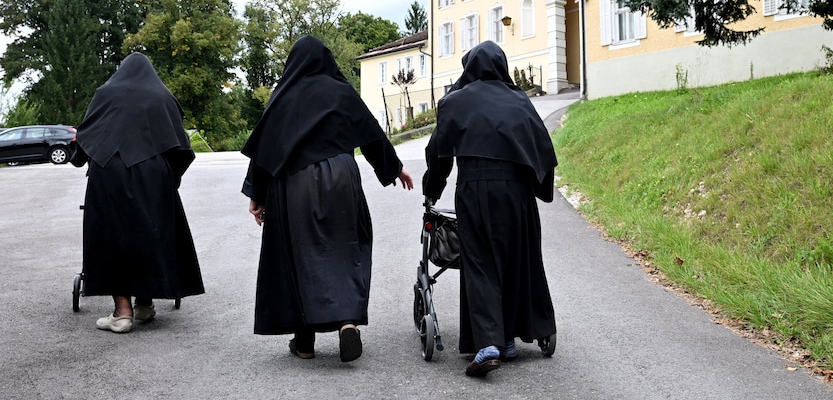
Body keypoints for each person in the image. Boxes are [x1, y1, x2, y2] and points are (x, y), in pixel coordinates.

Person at [241, 35, 414, 363]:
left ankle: (304, 342)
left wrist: (257, 195)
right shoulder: (340, 90)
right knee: (345, 247)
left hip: (294, 184)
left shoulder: (282, 96)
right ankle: (346, 320)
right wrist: (394, 169)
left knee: (297, 254)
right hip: (341, 175)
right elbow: (371, 133)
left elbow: (265, 150)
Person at [423, 40, 558, 378]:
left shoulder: (454, 101)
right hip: (517, 191)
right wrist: (543, 191)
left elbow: (439, 154)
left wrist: (432, 191)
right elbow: (542, 146)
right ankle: (509, 338)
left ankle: (489, 344)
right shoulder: (519, 100)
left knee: (481, 263)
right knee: (516, 258)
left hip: (475, 188)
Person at [72, 52, 204, 334]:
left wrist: (82, 158)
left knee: (113, 236)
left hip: (108, 171)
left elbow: (87, 133)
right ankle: (145, 303)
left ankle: (122, 314)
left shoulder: (105, 93)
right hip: (152, 173)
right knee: (152, 232)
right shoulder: (162, 95)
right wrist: (171, 179)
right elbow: (181, 147)